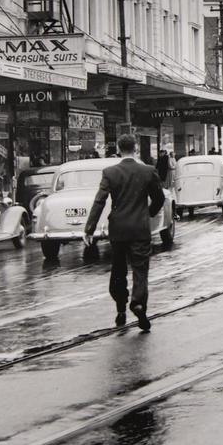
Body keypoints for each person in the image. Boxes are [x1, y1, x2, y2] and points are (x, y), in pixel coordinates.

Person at [83, 134, 166, 333]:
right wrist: (148, 214)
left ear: (119, 149)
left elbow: (99, 201)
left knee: (118, 269)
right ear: (135, 148)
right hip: (139, 228)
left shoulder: (110, 172)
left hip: (118, 229)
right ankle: (138, 304)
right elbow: (159, 198)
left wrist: (89, 229)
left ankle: (121, 308)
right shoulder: (147, 171)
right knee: (140, 270)